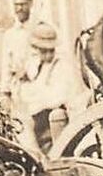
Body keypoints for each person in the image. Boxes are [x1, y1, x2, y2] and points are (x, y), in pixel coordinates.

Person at [13, 22, 80, 152]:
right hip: (39, 121)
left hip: (54, 121)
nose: (48, 55)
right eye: (43, 51)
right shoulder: (38, 65)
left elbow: (56, 97)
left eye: (51, 50)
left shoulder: (62, 66)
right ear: (36, 49)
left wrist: (30, 91)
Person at [0, 0, 36, 94]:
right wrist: (5, 91)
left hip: (40, 87)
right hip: (19, 88)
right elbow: (6, 65)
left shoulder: (39, 29)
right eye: (16, 5)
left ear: (31, 4)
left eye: (23, 4)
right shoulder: (9, 35)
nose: (19, 8)